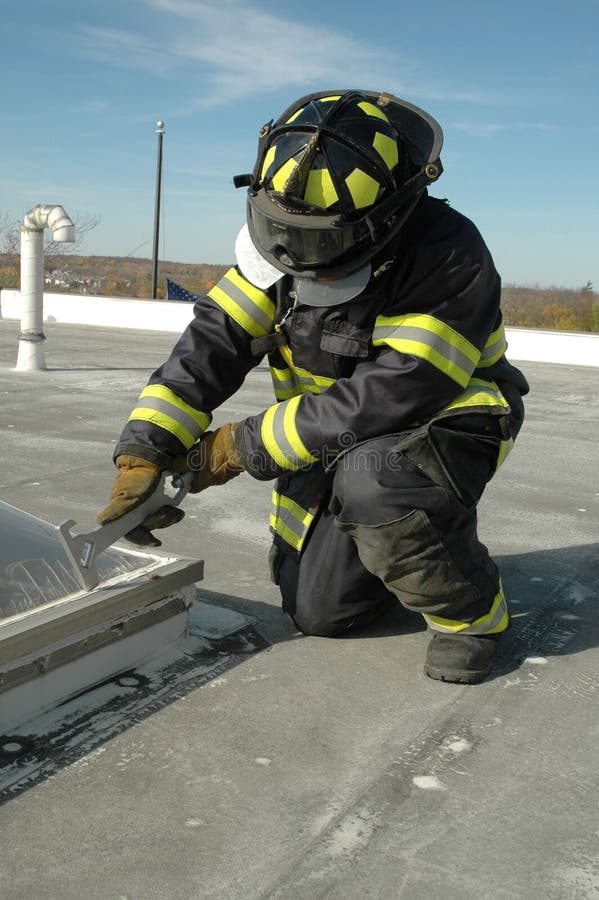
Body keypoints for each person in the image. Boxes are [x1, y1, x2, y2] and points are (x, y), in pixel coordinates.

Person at [98, 90, 529, 684]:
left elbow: (399, 392)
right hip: (337, 432)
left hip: (448, 418)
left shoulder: (446, 253)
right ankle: (402, 550)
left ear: (384, 220)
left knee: (378, 482)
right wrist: (145, 448)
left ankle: (472, 615)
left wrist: (236, 447)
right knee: (322, 611)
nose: (301, 263)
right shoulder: (286, 233)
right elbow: (208, 348)